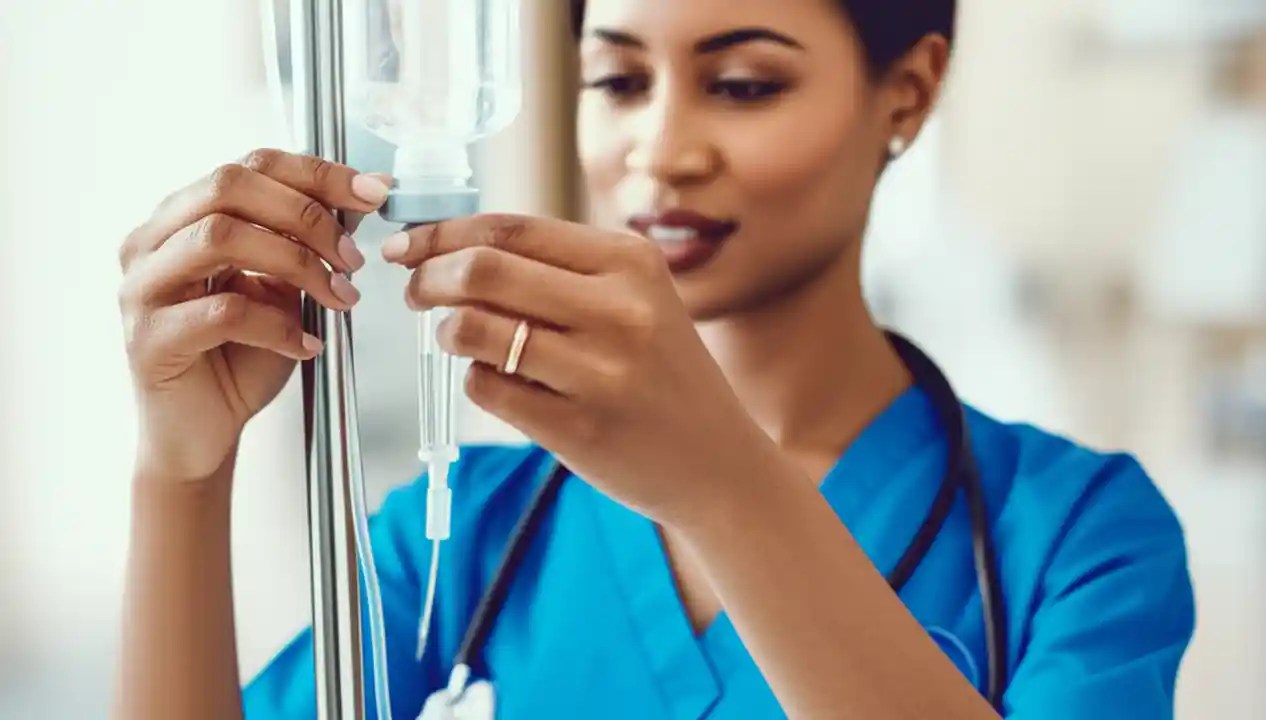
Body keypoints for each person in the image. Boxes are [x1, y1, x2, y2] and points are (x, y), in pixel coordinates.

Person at [112, 0, 1195, 718]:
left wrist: (726, 486)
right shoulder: (465, 536)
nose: (660, 151)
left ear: (904, 94)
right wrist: (182, 477)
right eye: (619, 84)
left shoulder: (1075, 539)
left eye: (742, 85)